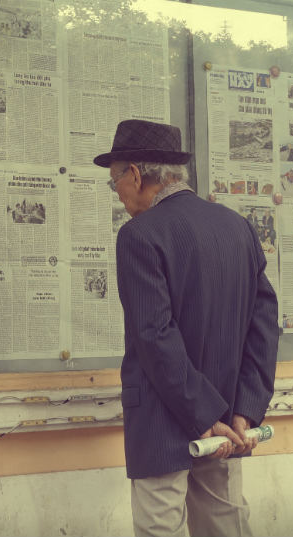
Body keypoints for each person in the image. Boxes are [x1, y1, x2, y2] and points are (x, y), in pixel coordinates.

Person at [95, 118, 280, 537]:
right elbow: (264, 325)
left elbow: (155, 336)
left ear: (136, 175)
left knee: (161, 529)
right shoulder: (238, 228)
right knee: (226, 525)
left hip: (164, 423)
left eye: (114, 182)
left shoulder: (139, 236)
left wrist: (204, 415)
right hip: (229, 423)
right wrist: (243, 411)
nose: (118, 194)